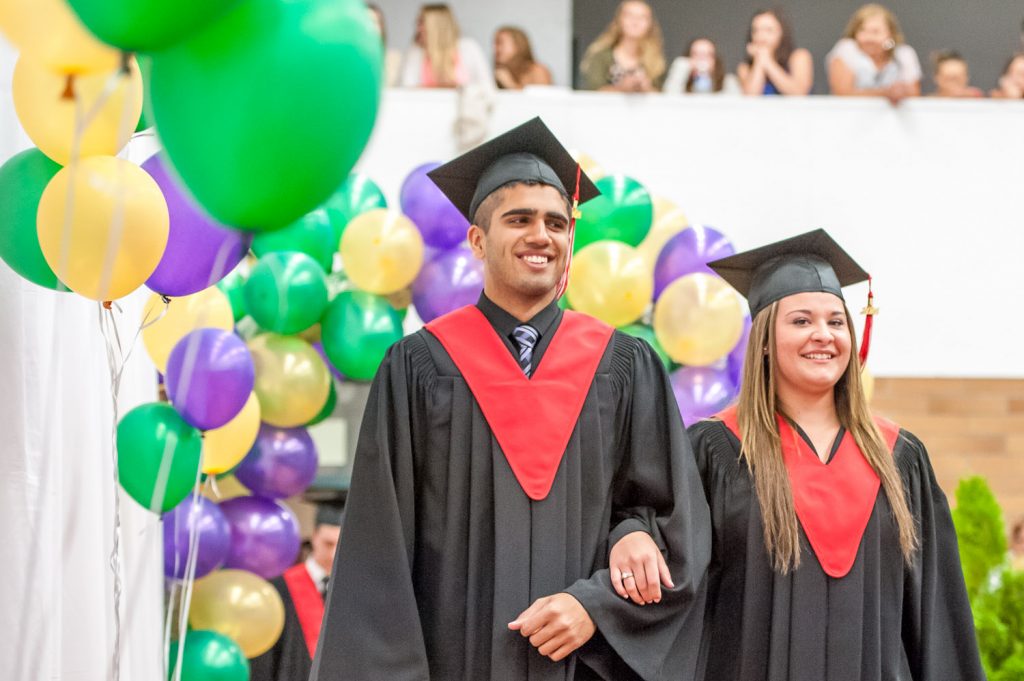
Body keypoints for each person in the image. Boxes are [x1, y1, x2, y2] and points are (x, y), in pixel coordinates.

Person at [310, 117, 711, 680]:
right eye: (518, 219)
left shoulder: (623, 367)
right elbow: (378, 551)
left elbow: (672, 526)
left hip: (581, 666)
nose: (540, 235)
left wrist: (597, 605)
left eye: (555, 222)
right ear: (477, 240)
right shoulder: (419, 367)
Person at [688, 229, 985, 680]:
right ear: (764, 339)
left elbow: (937, 616)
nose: (823, 335)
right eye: (801, 321)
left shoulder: (899, 458)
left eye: (836, 321)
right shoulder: (718, 451)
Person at [250, 503, 344, 681]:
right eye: (328, 544)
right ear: (314, 536)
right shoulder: (279, 588)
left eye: (339, 546)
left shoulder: (351, 593)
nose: (332, 554)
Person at [827, 4, 922, 104]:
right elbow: (843, 93)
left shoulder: (903, 54)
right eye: (863, 31)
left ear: (890, 34)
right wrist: (885, 93)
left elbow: (914, 93)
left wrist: (902, 91)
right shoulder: (846, 49)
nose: (869, 38)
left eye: (875, 32)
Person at [397, 3, 492, 89]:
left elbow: (487, 87)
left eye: (421, 22)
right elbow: (404, 90)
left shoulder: (468, 47)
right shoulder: (415, 52)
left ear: (436, 26)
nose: (418, 28)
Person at [579, 0, 666, 92]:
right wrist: (622, 88)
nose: (635, 22)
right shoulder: (600, 56)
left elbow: (663, 94)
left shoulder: (655, 61)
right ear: (619, 20)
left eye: (642, 17)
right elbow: (592, 92)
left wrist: (646, 88)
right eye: (630, 16)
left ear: (650, 24)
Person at [736, 9, 813, 96]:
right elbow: (751, 98)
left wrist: (767, 62)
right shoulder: (745, 67)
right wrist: (759, 62)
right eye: (756, 30)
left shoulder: (799, 56)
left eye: (768, 30)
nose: (761, 36)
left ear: (782, 33)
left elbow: (799, 94)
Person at [663, 38, 741, 95]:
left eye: (707, 55)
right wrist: (682, 67)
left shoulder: (728, 82)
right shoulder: (681, 84)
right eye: (696, 54)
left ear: (715, 60)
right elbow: (669, 98)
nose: (702, 59)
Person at [367, 3, 402, 87]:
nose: (370, 27)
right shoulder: (348, 58)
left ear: (381, 27)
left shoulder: (393, 57)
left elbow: (385, 84)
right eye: (366, 22)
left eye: (374, 22)